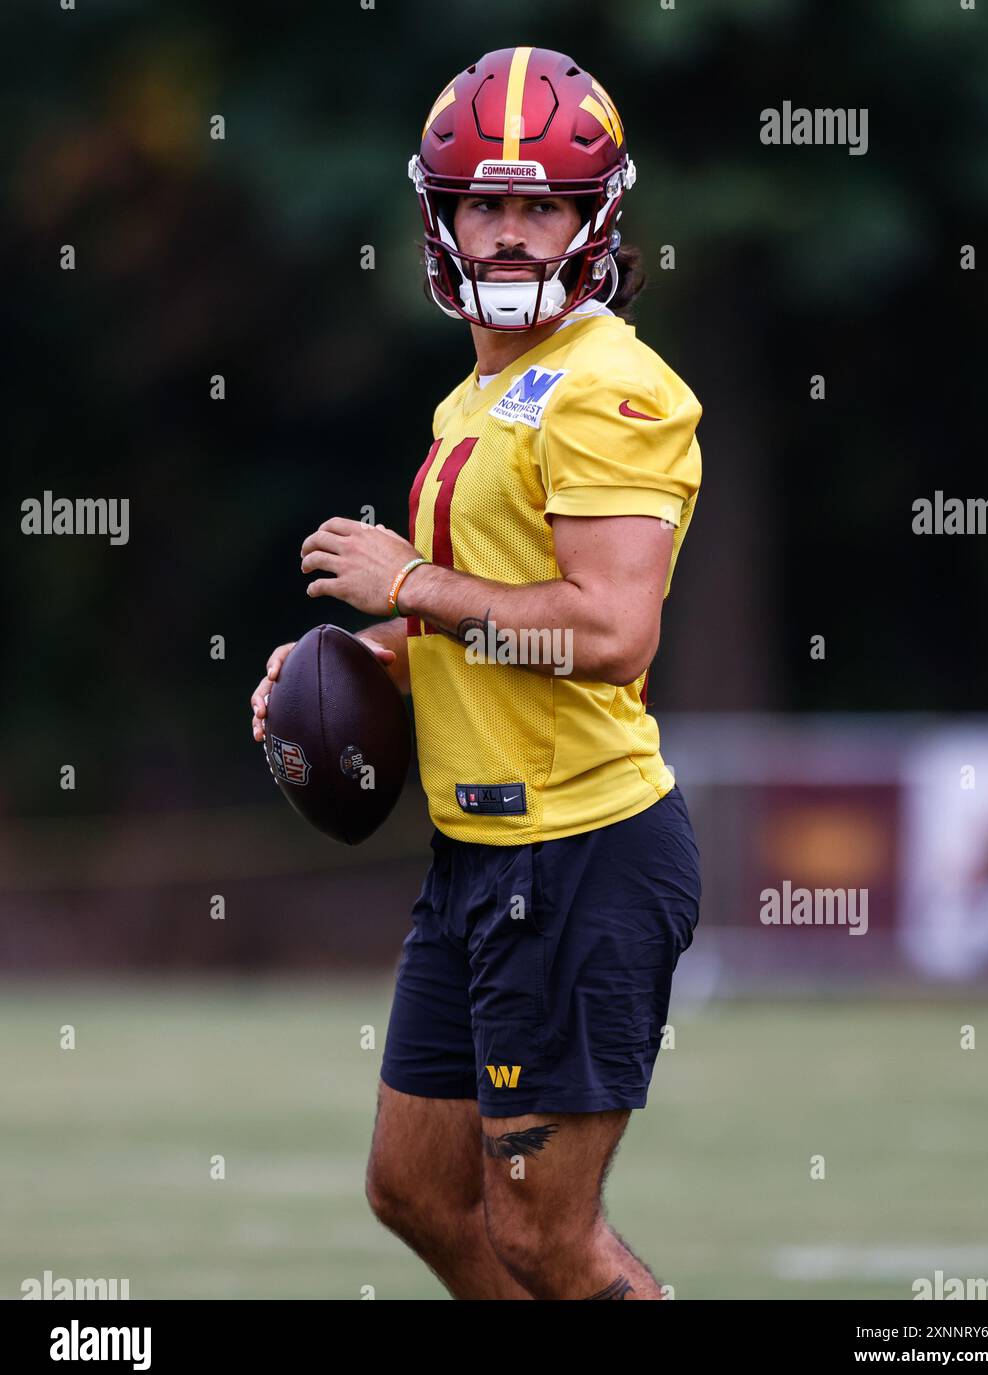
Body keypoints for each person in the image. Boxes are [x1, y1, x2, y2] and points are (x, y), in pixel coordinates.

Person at [250, 46, 704, 1299]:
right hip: (476, 852)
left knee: (543, 1236)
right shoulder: (481, 395)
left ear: (593, 216)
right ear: (440, 215)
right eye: (484, 204)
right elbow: (477, 622)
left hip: (579, 851)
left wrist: (411, 588)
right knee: (417, 1191)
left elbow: (610, 634)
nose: (508, 235)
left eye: (540, 205)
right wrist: (351, 663)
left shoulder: (614, 389)